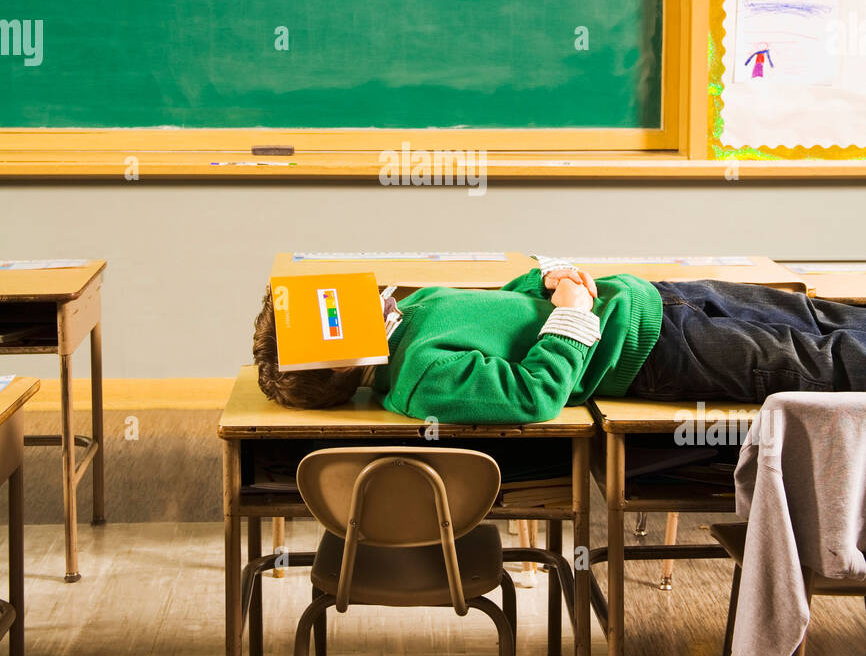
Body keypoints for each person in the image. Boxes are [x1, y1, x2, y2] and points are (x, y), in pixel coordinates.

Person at [252, 266, 866, 422]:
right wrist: (572, 314)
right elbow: (533, 394)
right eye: (330, 309)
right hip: (653, 354)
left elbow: (505, 305)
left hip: (652, 298)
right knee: (824, 360)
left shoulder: (410, 310)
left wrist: (545, 283)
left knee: (823, 314)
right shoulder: (419, 378)